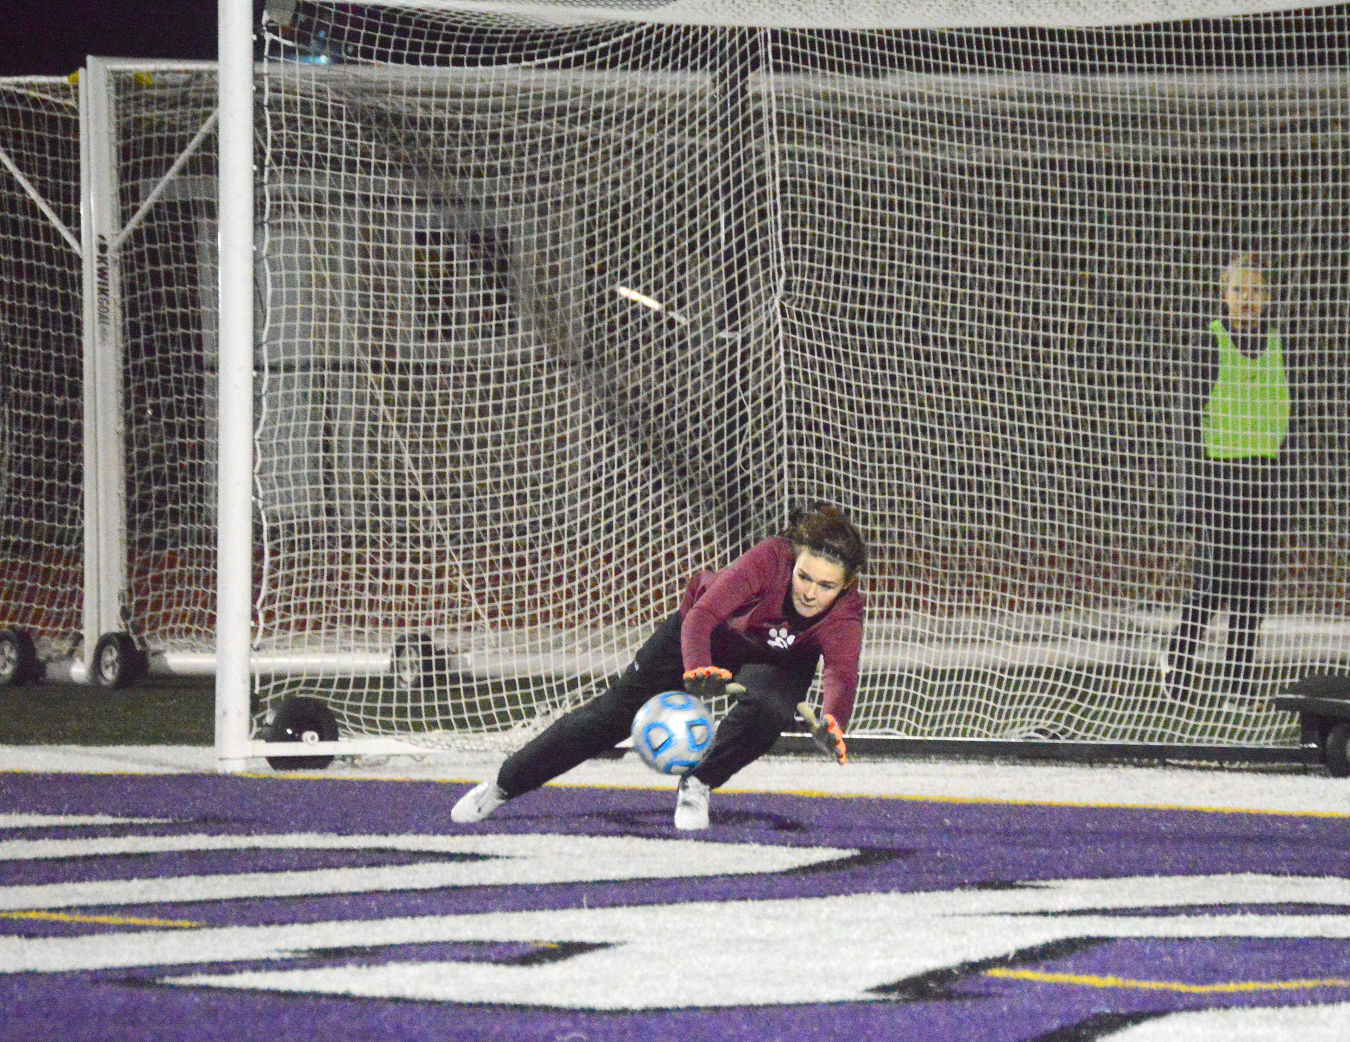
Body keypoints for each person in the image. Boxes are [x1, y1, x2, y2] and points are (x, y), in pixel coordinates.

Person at [451, 501, 868, 830]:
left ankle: (698, 783)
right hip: (707, 634)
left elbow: (841, 674)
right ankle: (504, 785)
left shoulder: (847, 612)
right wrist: (699, 668)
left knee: (771, 710)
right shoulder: (768, 560)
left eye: (826, 585)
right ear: (794, 560)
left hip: (776, 659)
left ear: (846, 586)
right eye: (804, 577)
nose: (810, 593)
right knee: (611, 717)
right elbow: (702, 619)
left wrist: (833, 720)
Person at [1161, 251, 1291, 703]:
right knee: (1215, 578)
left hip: (1266, 478)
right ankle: (1178, 662)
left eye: (1254, 290)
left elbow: (1291, 418)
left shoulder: (1281, 345)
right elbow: (1184, 423)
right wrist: (1188, 493)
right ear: (1224, 295)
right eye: (1238, 290)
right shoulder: (1208, 344)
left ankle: (1238, 679)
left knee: (1254, 582)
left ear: (1267, 296)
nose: (1246, 299)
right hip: (1219, 477)